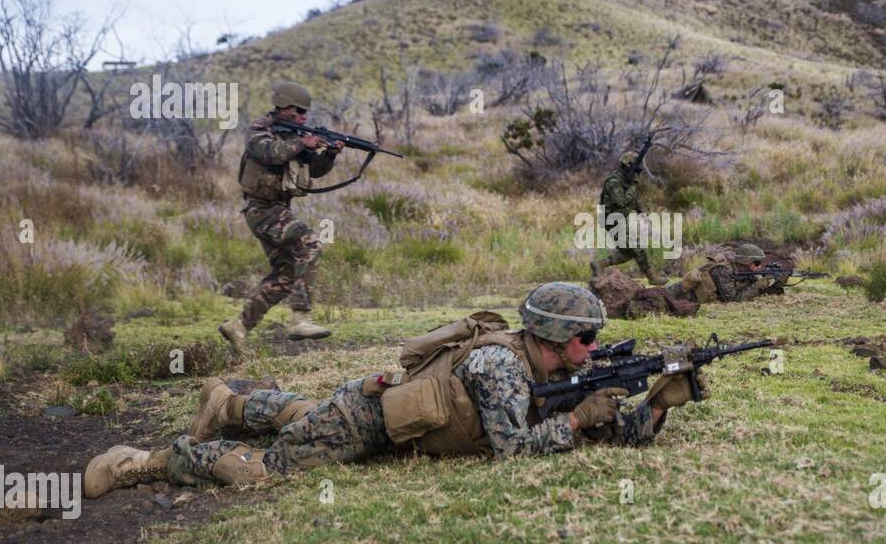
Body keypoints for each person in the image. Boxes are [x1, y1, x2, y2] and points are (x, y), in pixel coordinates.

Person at [84, 283, 706, 498]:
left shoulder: (550, 372)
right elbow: (514, 451)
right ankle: (146, 462)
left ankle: (231, 402)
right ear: (552, 337)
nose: (593, 352)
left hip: (398, 419)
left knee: (304, 413)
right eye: (586, 340)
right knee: (268, 468)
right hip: (370, 420)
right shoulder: (501, 369)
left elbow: (609, 426)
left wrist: (654, 406)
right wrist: (574, 423)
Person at [218, 81, 343, 352]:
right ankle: (300, 318)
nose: (303, 117)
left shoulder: (296, 134)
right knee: (311, 244)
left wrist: (329, 153)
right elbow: (269, 153)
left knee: (286, 273)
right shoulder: (259, 129)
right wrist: (303, 142)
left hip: (278, 210)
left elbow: (316, 169)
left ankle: (238, 326)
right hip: (260, 209)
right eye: (299, 112)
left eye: (304, 113)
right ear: (284, 107)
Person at [590, 151, 665, 285]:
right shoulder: (613, 182)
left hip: (620, 219)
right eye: (633, 169)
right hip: (611, 220)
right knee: (637, 247)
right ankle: (652, 277)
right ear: (626, 167)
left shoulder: (627, 181)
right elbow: (621, 202)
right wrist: (632, 187)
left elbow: (634, 201)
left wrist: (642, 213)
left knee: (627, 253)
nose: (636, 173)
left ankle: (599, 264)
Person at [666, 243, 784, 305]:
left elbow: (753, 289)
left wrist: (777, 282)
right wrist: (757, 286)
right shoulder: (722, 270)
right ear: (745, 262)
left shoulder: (741, 270)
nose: (759, 266)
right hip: (678, 296)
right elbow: (732, 300)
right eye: (757, 263)